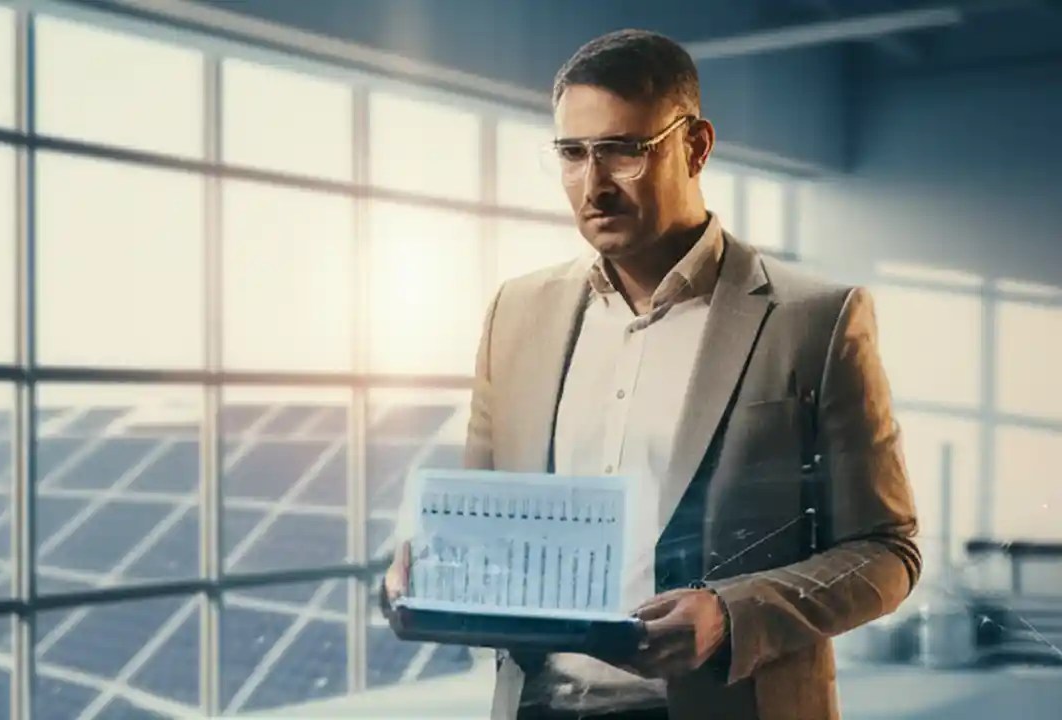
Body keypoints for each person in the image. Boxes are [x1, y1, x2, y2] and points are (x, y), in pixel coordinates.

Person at [383, 28, 921, 720]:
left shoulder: (815, 320)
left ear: (696, 147)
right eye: (572, 154)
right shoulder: (515, 314)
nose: (594, 185)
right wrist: (426, 572)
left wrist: (733, 614)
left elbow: (887, 551)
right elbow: (482, 521)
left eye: (623, 151)